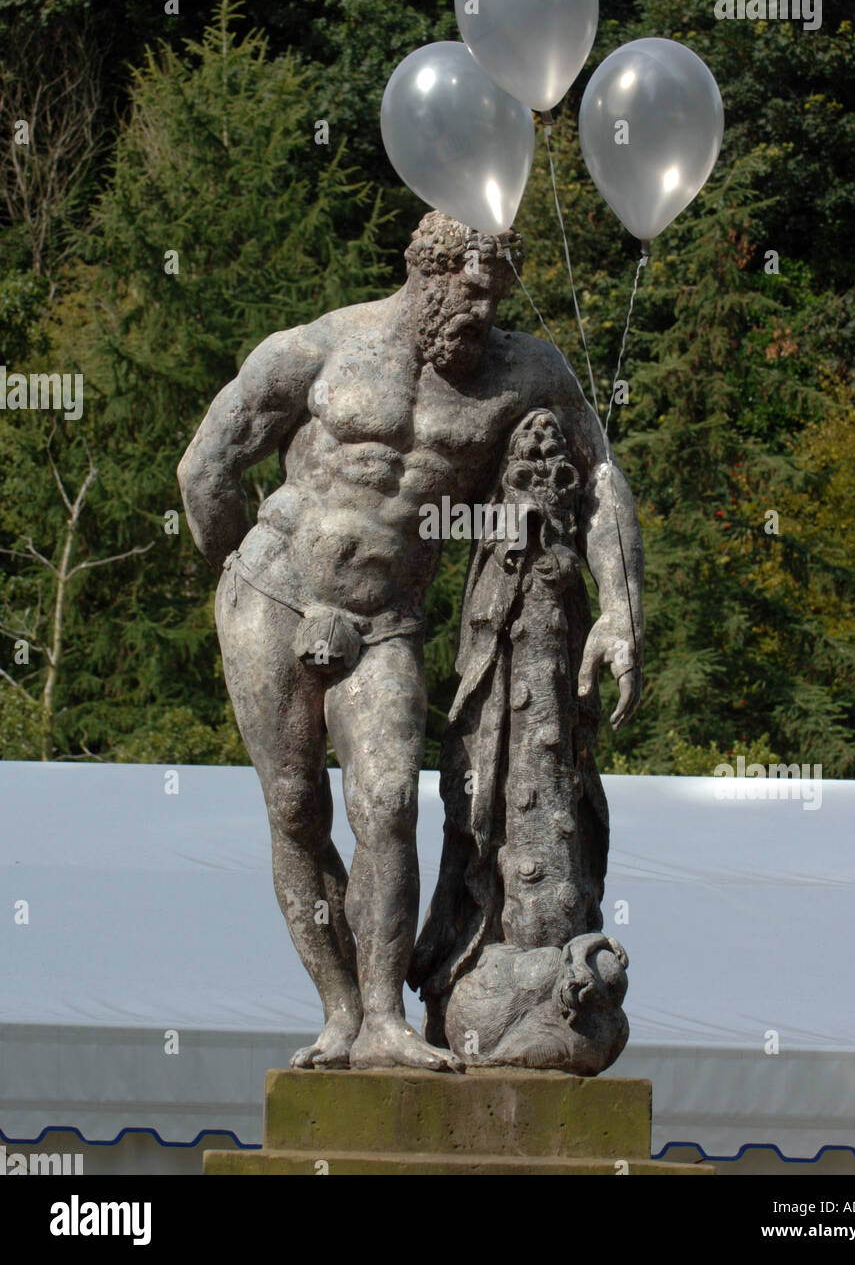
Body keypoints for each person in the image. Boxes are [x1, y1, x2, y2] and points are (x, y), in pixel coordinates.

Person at [177, 211, 643, 1071]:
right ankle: (340, 1011)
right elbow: (207, 467)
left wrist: (619, 609)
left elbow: (601, 476)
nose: (481, 314)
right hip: (274, 595)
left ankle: (388, 1017)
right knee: (293, 808)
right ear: (422, 272)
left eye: (496, 298)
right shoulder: (320, 348)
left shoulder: (524, 371)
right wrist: (251, 577)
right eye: (466, 292)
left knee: (387, 805)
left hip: (387, 619)